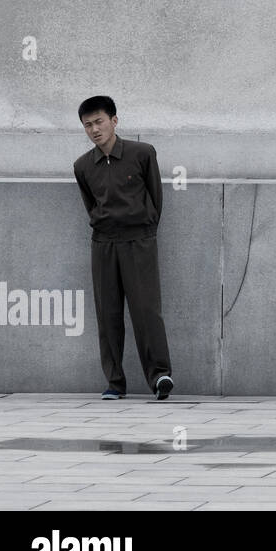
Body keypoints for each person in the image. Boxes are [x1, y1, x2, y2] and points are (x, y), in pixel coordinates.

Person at [72, 95, 174, 401]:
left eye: (99, 121)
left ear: (114, 121)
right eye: (88, 125)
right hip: (103, 242)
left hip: (139, 239)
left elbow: (156, 197)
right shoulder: (82, 166)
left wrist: (145, 231)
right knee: (108, 312)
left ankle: (160, 376)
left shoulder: (142, 153)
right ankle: (115, 383)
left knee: (146, 309)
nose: (94, 129)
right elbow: (91, 205)